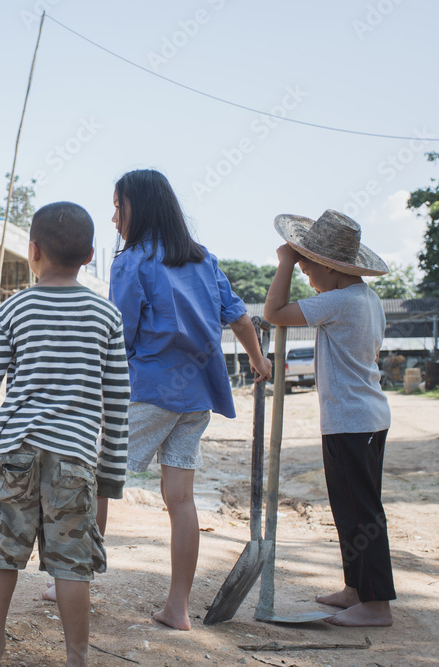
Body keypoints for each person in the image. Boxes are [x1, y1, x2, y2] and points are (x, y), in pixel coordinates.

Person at [0, 201, 130, 667]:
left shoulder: (12, 310)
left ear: (32, 251)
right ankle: (77, 659)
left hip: (15, 452)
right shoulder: (106, 316)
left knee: (1, 552)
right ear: (89, 256)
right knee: (72, 564)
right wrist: (111, 473)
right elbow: (117, 402)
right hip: (75, 458)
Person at [108, 169, 272, 631]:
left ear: (139, 209)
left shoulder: (131, 262)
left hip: (150, 390)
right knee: (180, 498)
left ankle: (72, 578)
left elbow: (120, 336)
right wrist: (258, 360)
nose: (113, 218)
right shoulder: (203, 259)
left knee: (97, 477)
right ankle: (177, 607)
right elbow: (240, 318)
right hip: (196, 395)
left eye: (118, 207)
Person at [264, 209, 394, 627]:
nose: (307, 279)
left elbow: (274, 311)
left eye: (307, 271)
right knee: (351, 509)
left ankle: (377, 605)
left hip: (351, 421)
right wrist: (296, 262)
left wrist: (285, 261)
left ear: (331, 268)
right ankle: (356, 589)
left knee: (362, 513)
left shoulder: (339, 301)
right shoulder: (367, 300)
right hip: (365, 417)